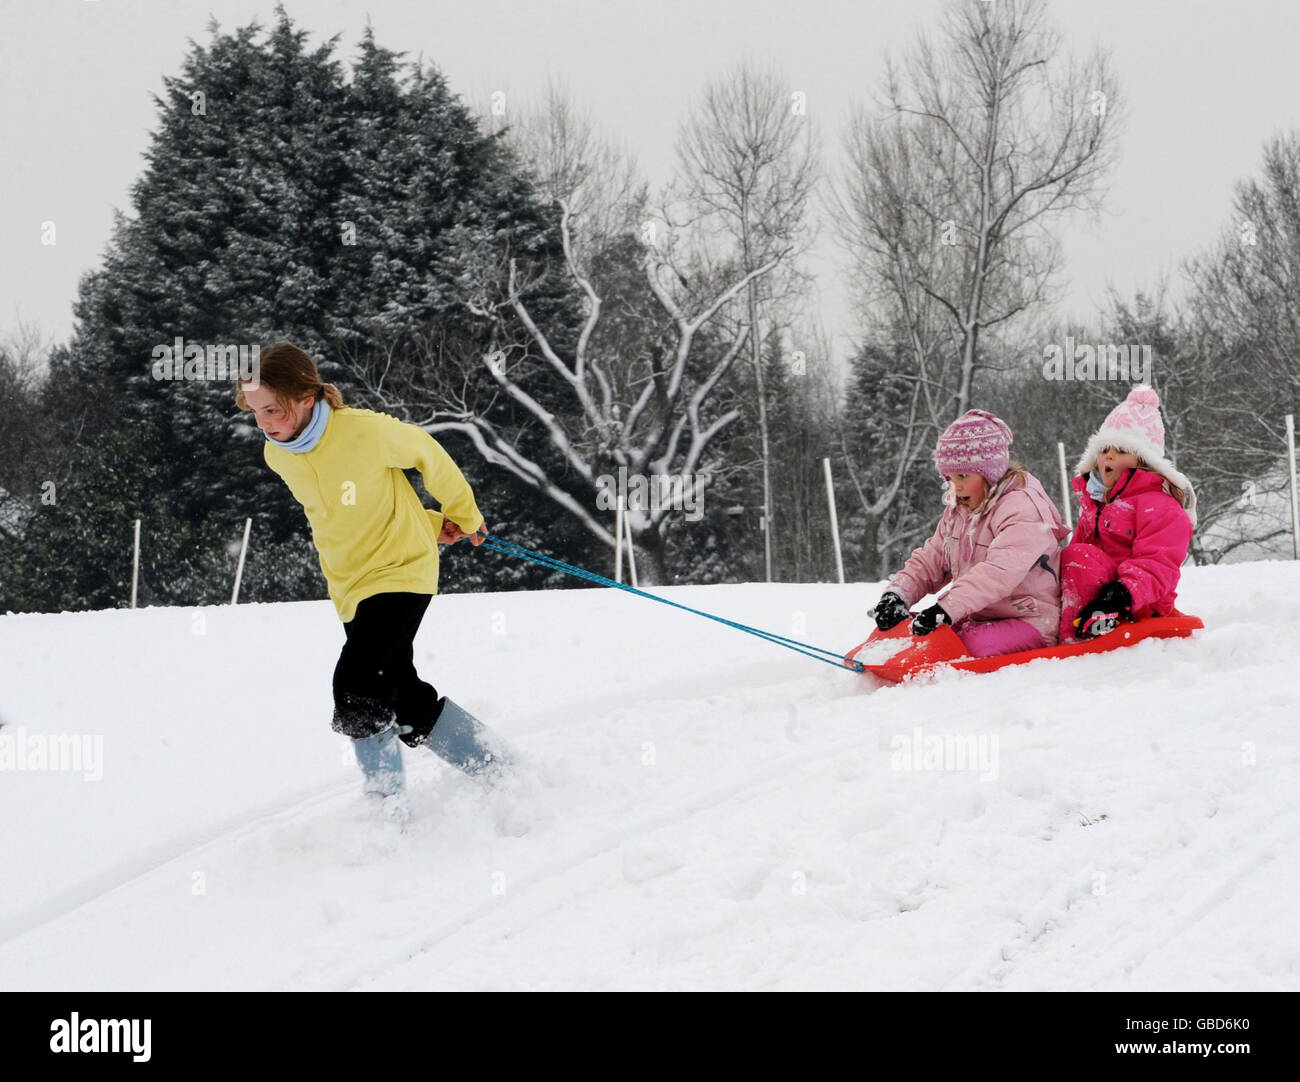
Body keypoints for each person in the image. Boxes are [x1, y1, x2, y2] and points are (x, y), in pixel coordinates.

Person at [235, 342, 486, 817]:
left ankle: (384, 814)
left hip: (400, 571)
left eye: (272, 409)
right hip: (351, 587)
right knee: (402, 696)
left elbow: (429, 454)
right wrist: (431, 523)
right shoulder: (279, 455)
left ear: (306, 395)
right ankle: (499, 768)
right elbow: (351, 509)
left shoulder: (364, 431)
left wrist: (464, 515)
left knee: (357, 688)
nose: (264, 423)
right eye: (255, 412)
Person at [869, 409, 1070, 658]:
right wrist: (898, 594)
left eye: (963, 475)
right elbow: (932, 558)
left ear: (990, 471)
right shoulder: (959, 511)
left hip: (1029, 619)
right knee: (915, 636)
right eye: (949, 478)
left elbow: (998, 573)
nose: (956, 486)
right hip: (978, 616)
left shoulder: (1022, 509)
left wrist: (948, 607)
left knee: (960, 649)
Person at [1059, 384, 1196, 641]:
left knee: (1080, 556)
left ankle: (1071, 639)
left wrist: (1119, 596)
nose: (1109, 458)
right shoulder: (1096, 503)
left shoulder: (1160, 507)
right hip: (1096, 596)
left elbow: (1157, 563)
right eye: (1104, 450)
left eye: (1121, 451)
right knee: (1067, 556)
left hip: (1137, 601)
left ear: (1144, 460)